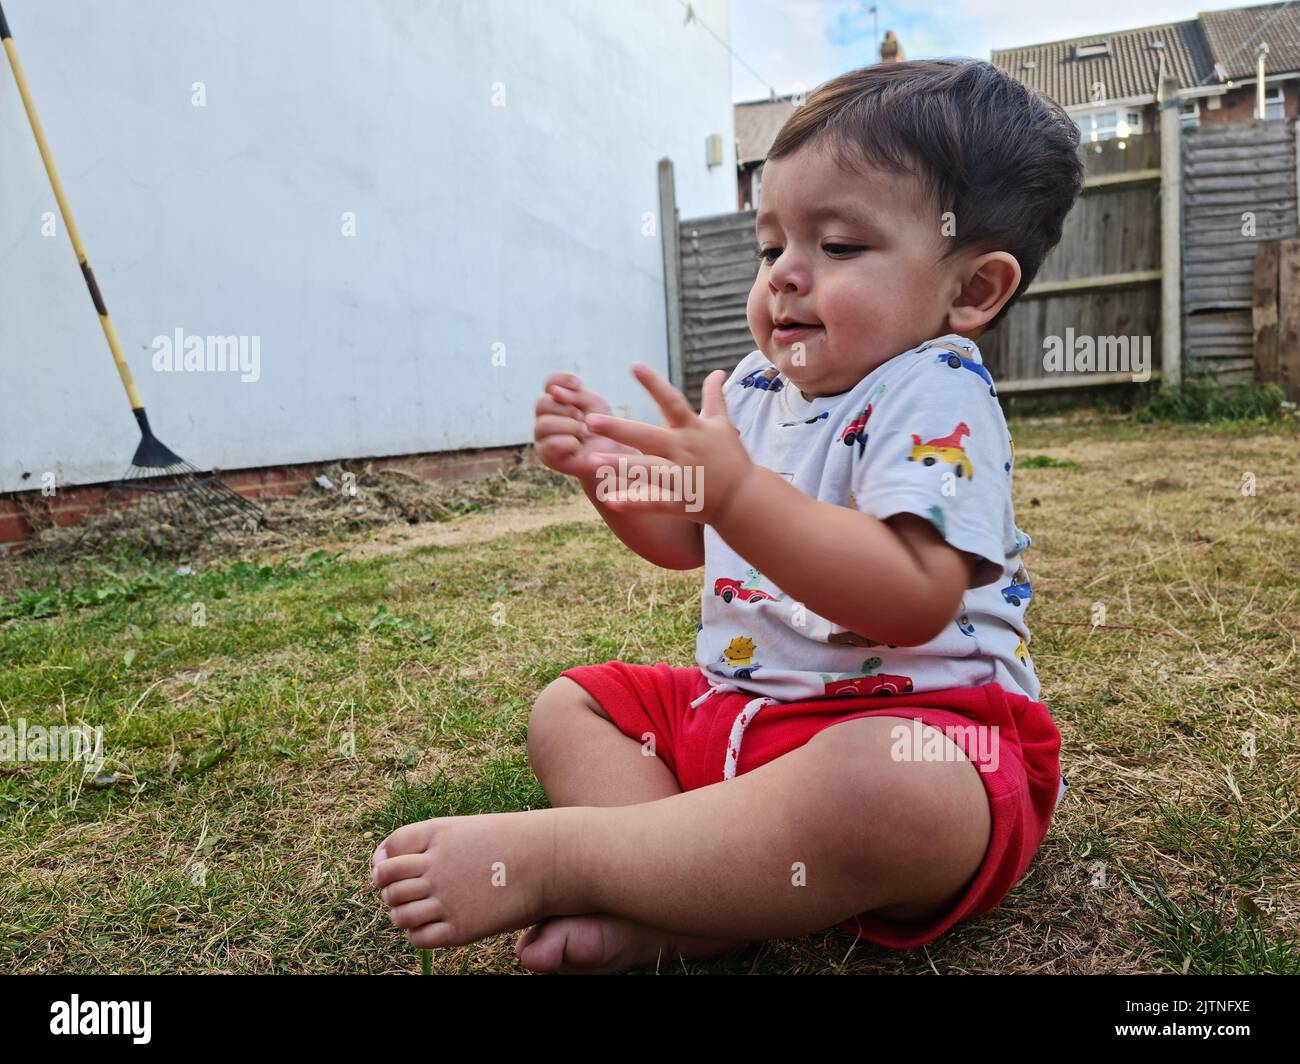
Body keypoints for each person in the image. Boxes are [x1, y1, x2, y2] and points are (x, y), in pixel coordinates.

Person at [373, 58, 1082, 974]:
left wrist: (737, 495)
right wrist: (611, 480)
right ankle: (690, 896)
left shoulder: (934, 393)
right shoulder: (754, 385)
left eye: (838, 248)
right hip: (738, 710)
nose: (786, 277)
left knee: (886, 792)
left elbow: (911, 597)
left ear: (971, 290)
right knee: (577, 704)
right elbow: (686, 539)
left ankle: (583, 860)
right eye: (771, 246)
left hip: (918, 731)